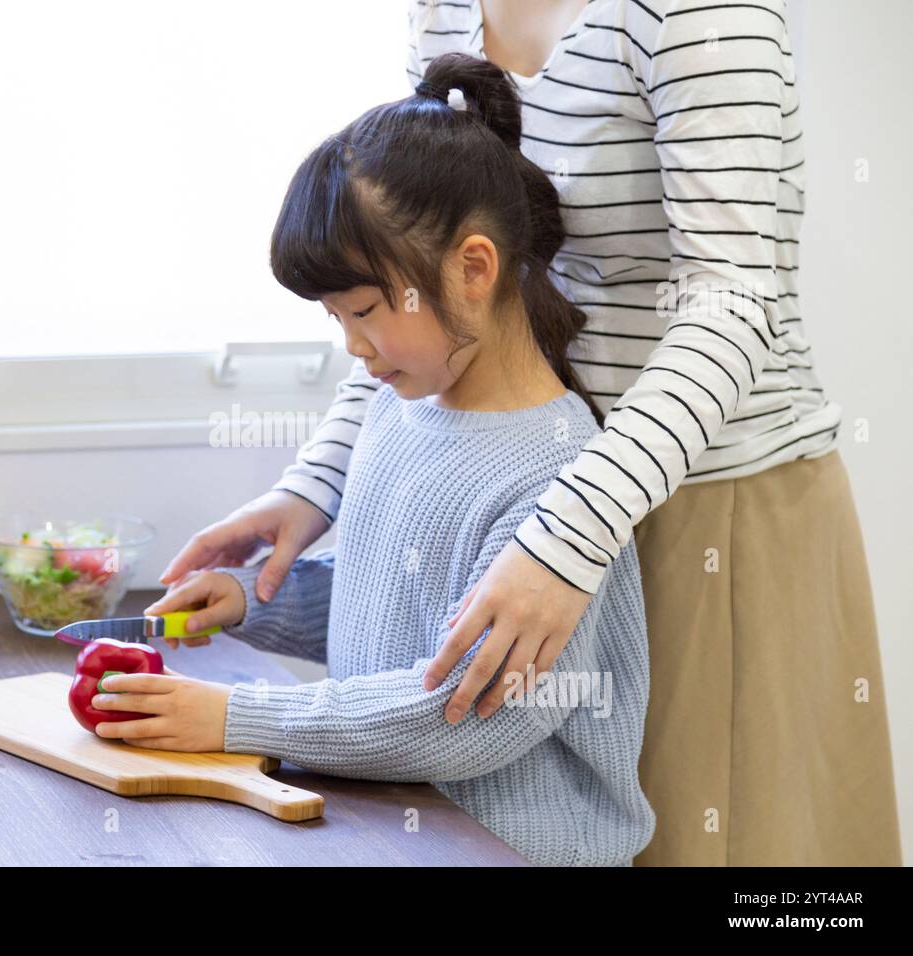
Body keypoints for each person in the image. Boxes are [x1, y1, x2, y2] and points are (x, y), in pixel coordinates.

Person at [152, 0, 901, 866]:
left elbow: (734, 300)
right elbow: (416, 258)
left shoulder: (692, 12)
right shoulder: (443, 12)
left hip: (710, 502)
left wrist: (565, 536)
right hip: (557, 483)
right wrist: (317, 485)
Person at [90, 52, 655, 866]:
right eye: (334, 318)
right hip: (390, 828)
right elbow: (398, 608)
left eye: (361, 310)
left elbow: (462, 715)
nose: (352, 347)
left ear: (471, 269)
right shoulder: (400, 410)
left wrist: (233, 717)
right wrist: (255, 602)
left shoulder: (561, 483)